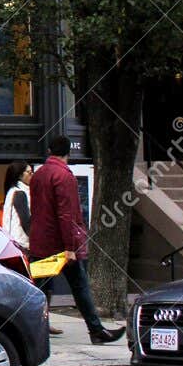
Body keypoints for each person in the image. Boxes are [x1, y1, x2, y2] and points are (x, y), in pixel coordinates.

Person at [27, 132, 125, 344]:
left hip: (40, 243)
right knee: (79, 287)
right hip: (60, 246)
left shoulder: (38, 175)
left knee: (40, 289)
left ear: (49, 151)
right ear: (68, 153)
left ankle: (34, 331)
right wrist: (70, 247)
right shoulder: (64, 176)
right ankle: (96, 330)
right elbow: (67, 214)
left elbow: (37, 210)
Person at [1, 161, 33, 252]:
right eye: (29, 172)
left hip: (12, 242)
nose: (32, 175)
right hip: (21, 244)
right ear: (19, 175)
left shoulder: (12, 191)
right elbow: (26, 222)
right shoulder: (20, 193)